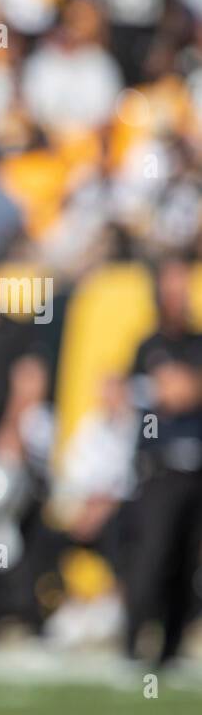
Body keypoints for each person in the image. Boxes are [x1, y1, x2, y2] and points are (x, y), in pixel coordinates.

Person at [123, 256, 202, 666]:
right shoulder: (147, 345)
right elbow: (146, 394)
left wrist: (182, 387)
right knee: (153, 557)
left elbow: (184, 391)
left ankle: (170, 650)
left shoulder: (196, 341)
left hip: (195, 469)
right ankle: (134, 644)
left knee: (187, 563)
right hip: (159, 468)